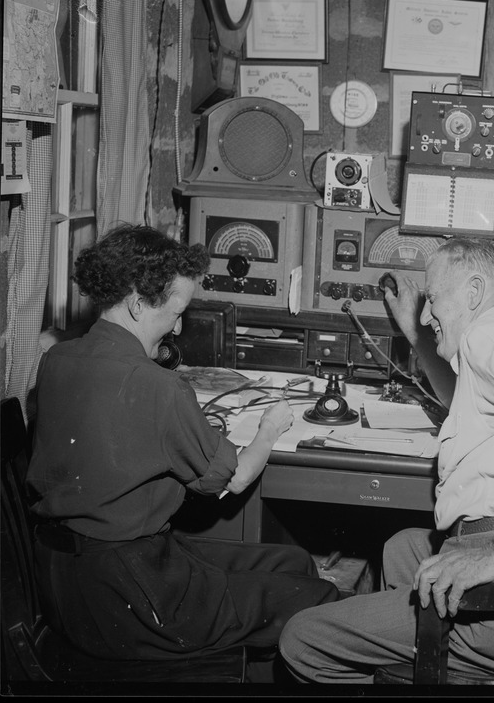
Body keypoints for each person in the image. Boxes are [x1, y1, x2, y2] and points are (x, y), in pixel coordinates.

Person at [280, 237, 494, 682]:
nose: (425, 314)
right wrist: (416, 335)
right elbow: (467, 403)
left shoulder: (489, 332)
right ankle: (416, 663)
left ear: (474, 293)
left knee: (302, 639)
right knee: (402, 550)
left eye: (432, 300)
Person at [26, 224, 339, 672]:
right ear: (137, 304)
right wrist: (271, 426)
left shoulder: (58, 359)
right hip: (130, 597)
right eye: (175, 314)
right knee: (319, 596)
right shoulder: (159, 389)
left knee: (289, 560)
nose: (177, 327)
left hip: (66, 584)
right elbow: (236, 476)